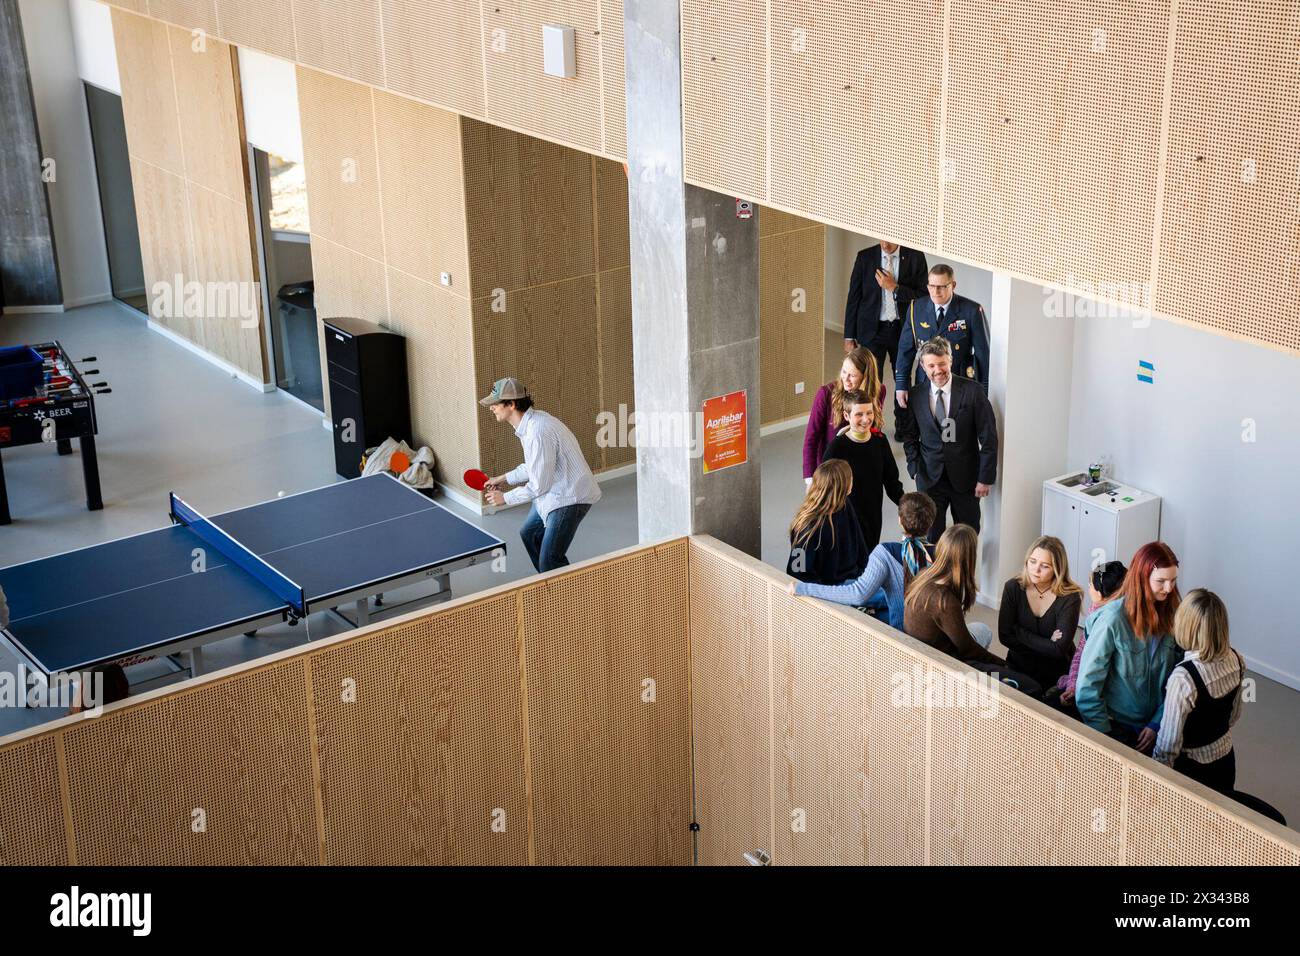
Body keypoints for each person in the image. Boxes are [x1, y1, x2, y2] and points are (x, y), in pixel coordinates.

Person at [481, 377, 601, 573]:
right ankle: (548, 582)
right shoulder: (530, 424)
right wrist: (501, 479)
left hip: (570, 497)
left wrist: (505, 498)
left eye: (495, 404)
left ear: (511, 404)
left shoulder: (537, 432)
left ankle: (565, 595)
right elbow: (534, 467)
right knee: (530, 534)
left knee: (550, 559)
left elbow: (539, 486)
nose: (491, 408)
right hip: (555, 491)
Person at [903, 525, 1041, 695]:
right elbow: (967, 649)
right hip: (943, 666)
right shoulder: (944, 601)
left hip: (924, 652)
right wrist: (1004, 664)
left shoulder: (924, 574)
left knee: (983, 630)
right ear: (968, 558)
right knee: (1031, 686)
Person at [1074, 542, 1183, 752]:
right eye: (1161, 581)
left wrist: (1157, 723)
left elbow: (1176, 678)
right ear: (1141, 579)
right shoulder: (1112, 620)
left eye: (1173, 580)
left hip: (1155, 730)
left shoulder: (1172, 615)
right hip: (1116, 730)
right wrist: (1106, 738)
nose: (1169, 589)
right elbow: (1087, 688)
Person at [790, 491, 936, 632]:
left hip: (902, 637)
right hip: (936, 639)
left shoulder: (885, 553)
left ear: (900, 521)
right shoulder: (943, 554)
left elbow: (858, 594)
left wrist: (804, 588)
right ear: (931, 522)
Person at [900, 337, 998, 542]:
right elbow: (909, 435)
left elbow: (988, 437)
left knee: (966, 537)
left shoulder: (973, 391)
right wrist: (914, 467)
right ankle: (937, 575)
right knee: (932, 538)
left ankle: (963, 574)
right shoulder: (916, 395)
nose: (938, 370)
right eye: (931, 365)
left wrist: (985, 478)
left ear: (950, 361)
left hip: (967, 480)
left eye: (942, 363)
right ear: (923, 367)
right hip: (929, 479)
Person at [1152, 589, 1245, 796]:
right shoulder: (1237, 659)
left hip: (1191, 771)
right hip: (1225, 760)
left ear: (1186, 626)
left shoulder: (1183, 677)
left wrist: (1156, 783)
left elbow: (1168, 745)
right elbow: (1234, 716)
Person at [821, 389, 903, 550]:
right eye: (859, 414)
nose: (866, 419)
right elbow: (823, 486)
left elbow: (891, 480)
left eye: (869, 413)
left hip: (873, 515)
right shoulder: (837, 447)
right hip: (844, 517)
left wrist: (905, 504)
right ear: (846, 416)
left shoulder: (880, 441)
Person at [997, 536, 1083, 690]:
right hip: (1018, 667)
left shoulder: (1070, 597)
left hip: (1056, 674)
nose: (1035, 570)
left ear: (1057, 569)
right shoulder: (1013, 588)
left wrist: (1018, 631)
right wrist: (1047, 643)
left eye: (1045, 566)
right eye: (1032, 561)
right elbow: (1004, 636)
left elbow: (1058, 650)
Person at [842, 241, 928, 394]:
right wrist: (849, 336)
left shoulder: (916, 257)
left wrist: (895, 289)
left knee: (903, 380)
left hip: (902, 329)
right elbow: (853, 298)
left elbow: (923, 297)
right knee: (871, 381)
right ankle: (871, 417)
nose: (885, 245)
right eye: (881, 239)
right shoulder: (865, 257)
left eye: (889, 240)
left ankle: (903, 418)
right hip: (872, 331)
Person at [894, 263, 991, 397]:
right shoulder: (916, 308)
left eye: (941, 287)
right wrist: (901, 385)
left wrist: (984, 390)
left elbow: (983, 356)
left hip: (959, 384)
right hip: (925, 384)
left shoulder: (971, 311)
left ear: (953, 285)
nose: (935, 291)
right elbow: (905, 350)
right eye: (931, 286)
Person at [801, 347, 886, 486]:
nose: (845, 379)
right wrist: (810, 479)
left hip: (861, 466)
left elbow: (874, 429)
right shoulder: (826, 394)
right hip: (831, 470)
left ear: (865, 377)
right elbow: (812, 438)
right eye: (844, 371)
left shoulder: (879, 391)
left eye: (852, 375)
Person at [1054, 560, 1127, 709]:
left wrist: (1077, 688)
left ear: (1101, 594)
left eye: (1090, 583)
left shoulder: (1111, 622)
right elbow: (1080, 653)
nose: (1088, 586)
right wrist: (1073, 685)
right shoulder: (1095, 608)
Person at [786, 460, 868, 585]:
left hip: (855, 579)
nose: (853, 480)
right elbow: (797, 573)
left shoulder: (845, 504)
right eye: (851, 478)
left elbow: (861, 548)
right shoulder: (807, 527)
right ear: (843, 485)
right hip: (831, 589)